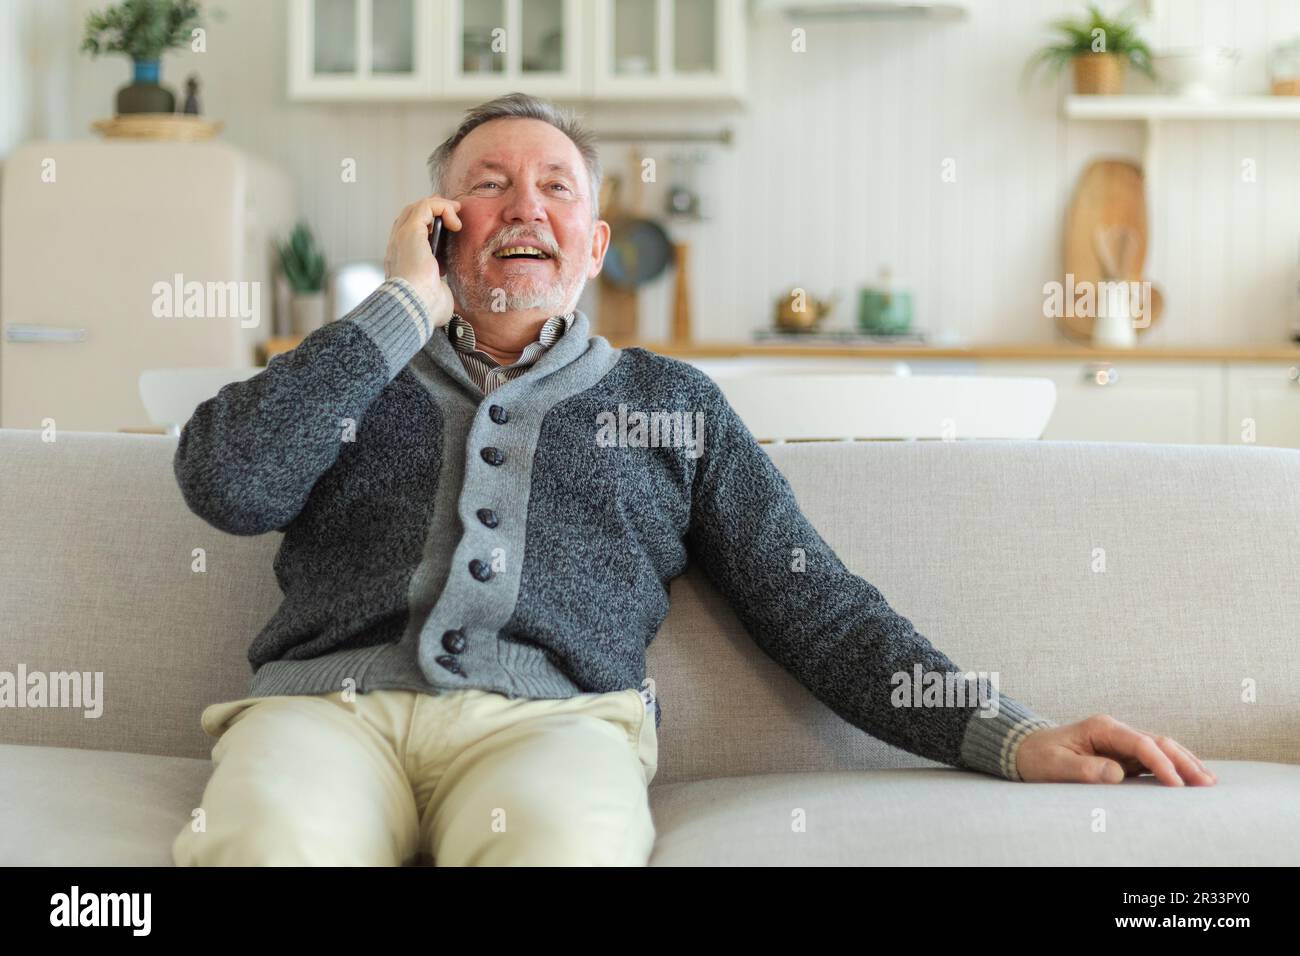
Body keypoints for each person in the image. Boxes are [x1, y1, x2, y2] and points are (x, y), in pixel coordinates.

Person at [171, 92, 1215, 868]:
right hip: (327, 713)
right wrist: (401, 302)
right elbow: (228, 480)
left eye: (556, 188)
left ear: (594, 243)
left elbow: (816, 605)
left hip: (556, 728)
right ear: (439, 224)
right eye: (487, 185)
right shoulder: (356, 364)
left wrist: (1011, 734)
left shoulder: (672, 403)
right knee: (267, 845)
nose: (522, 206)